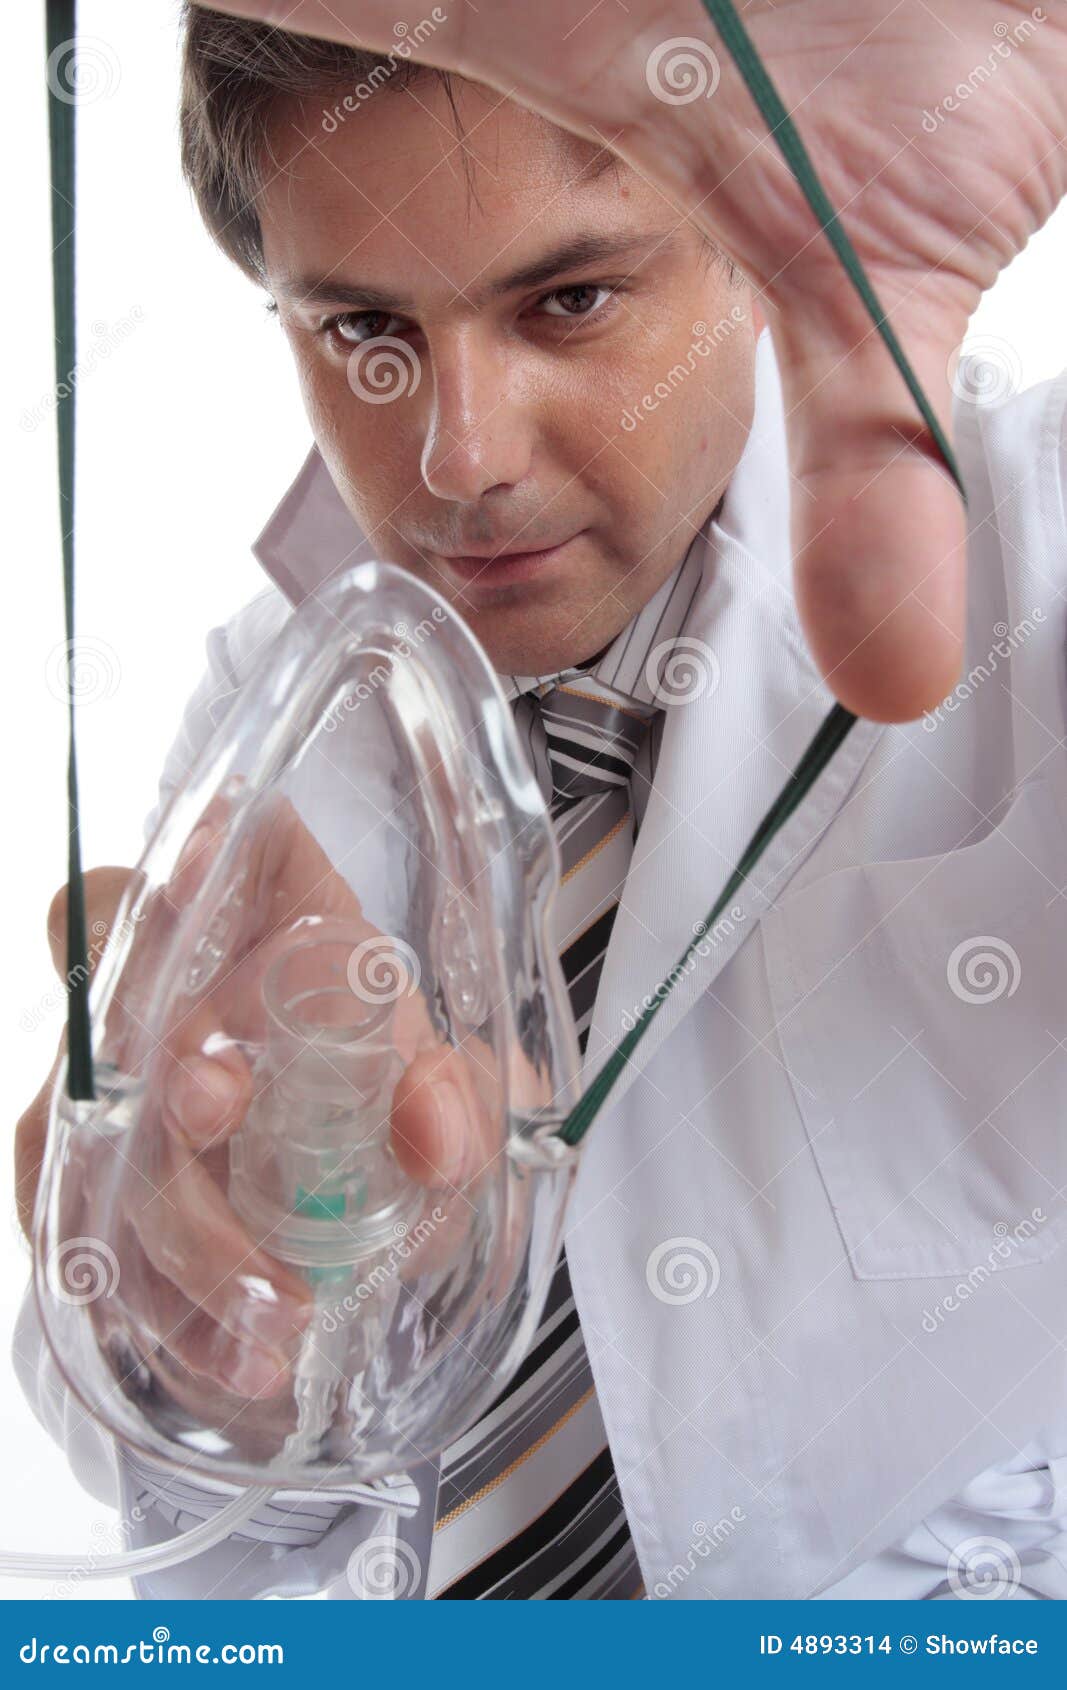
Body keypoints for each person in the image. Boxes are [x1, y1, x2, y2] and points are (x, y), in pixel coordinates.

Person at [14, 0, 1067, 1598]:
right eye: (362, 330)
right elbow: (198, 1513)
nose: (459, 457)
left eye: (569, 300)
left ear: (758, 234)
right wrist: (212, 1336)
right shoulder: (268, 701)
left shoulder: (1033, 554)